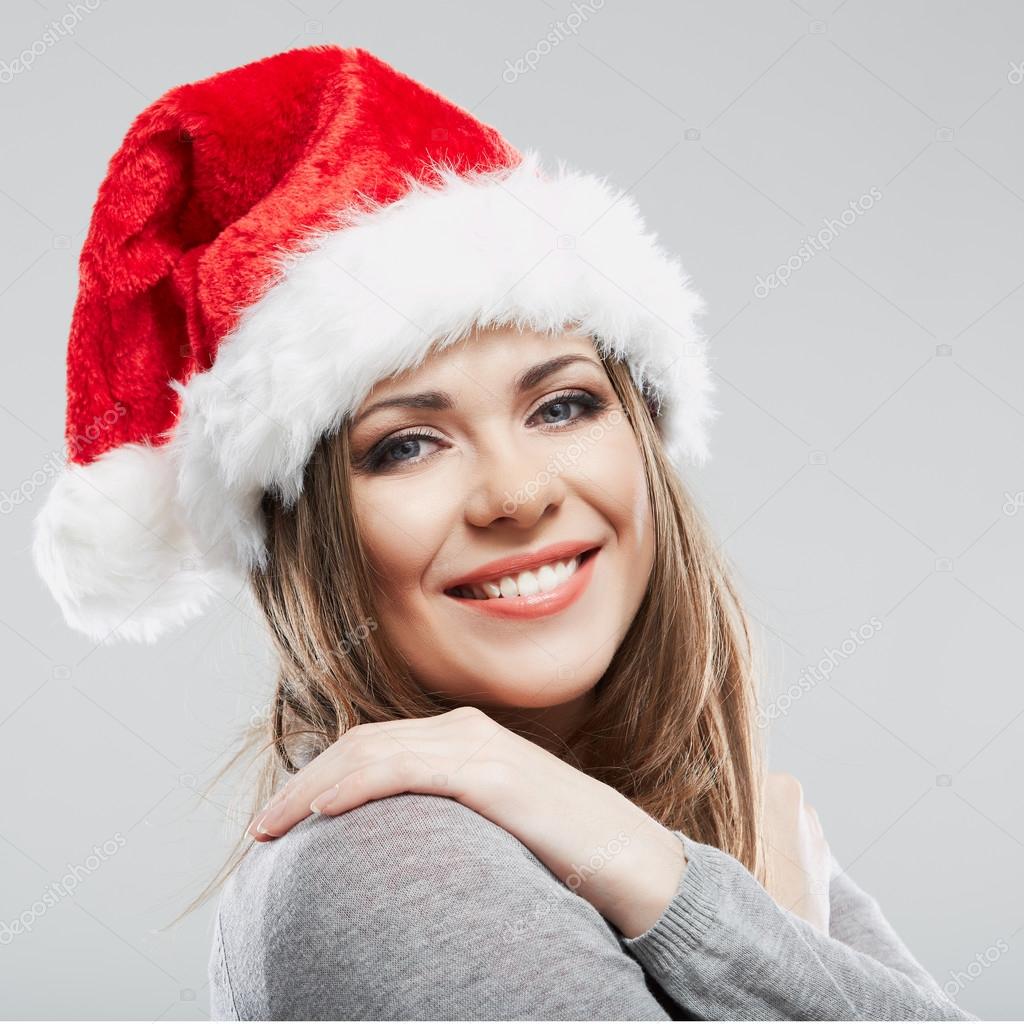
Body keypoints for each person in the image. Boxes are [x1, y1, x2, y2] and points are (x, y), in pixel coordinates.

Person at [32, 45, 975, 1021]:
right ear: (305, 539)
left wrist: (652, 863)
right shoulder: (393, 864)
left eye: (562, 406)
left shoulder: (719, 832)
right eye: (406, 446)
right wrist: (720, 912)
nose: (516, 495)